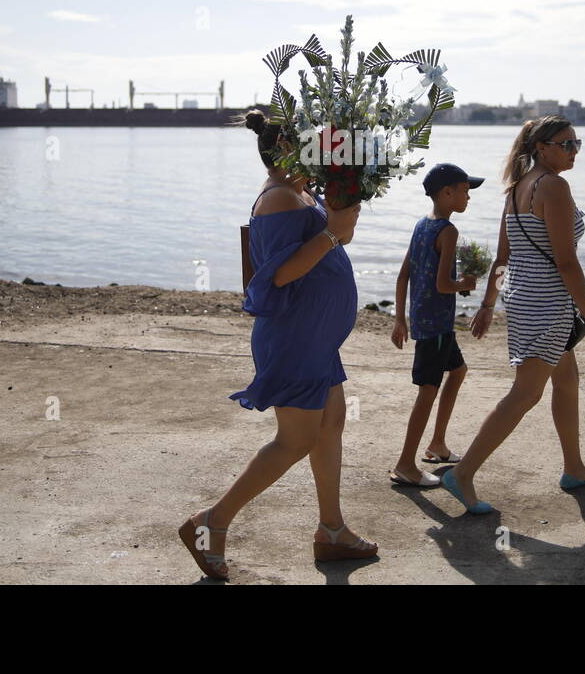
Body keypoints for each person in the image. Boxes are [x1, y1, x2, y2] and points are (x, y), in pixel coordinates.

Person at [178, 109, 377, 579]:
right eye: (312, 144)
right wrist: (334, 233)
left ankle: (332, 530)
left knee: (330, 426)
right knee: (296, 439)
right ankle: (212, 522)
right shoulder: (280, 199)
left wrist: (338, 216)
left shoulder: (298, 191)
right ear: (290, 149)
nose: (322, 150)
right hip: (295, 337)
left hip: (315, 338)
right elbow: (282, 274)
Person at [440, 116, 585, 515]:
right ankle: (462, 473)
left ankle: (574, 467)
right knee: (526, 393)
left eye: (577, 143)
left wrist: (488, 305)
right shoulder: (553, 186)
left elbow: (504, 258)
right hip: (547, 304)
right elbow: (567, 262)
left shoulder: (516, 189)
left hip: (523, 300)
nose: (573, 151)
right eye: (565, 144)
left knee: (566, 382)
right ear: (541, 148)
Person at [389, 163, 485, 487]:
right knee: (427, 392)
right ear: (446, 193)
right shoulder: (448, 230)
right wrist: (467, 282)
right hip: (436, 327)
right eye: (464, 190)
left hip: (427, 321)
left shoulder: (421, 224)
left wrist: (400, 318)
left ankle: (437, 445)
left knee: (457, 372)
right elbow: (444, 285)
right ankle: (405, 464)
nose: (468, 197)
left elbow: (405, 275)